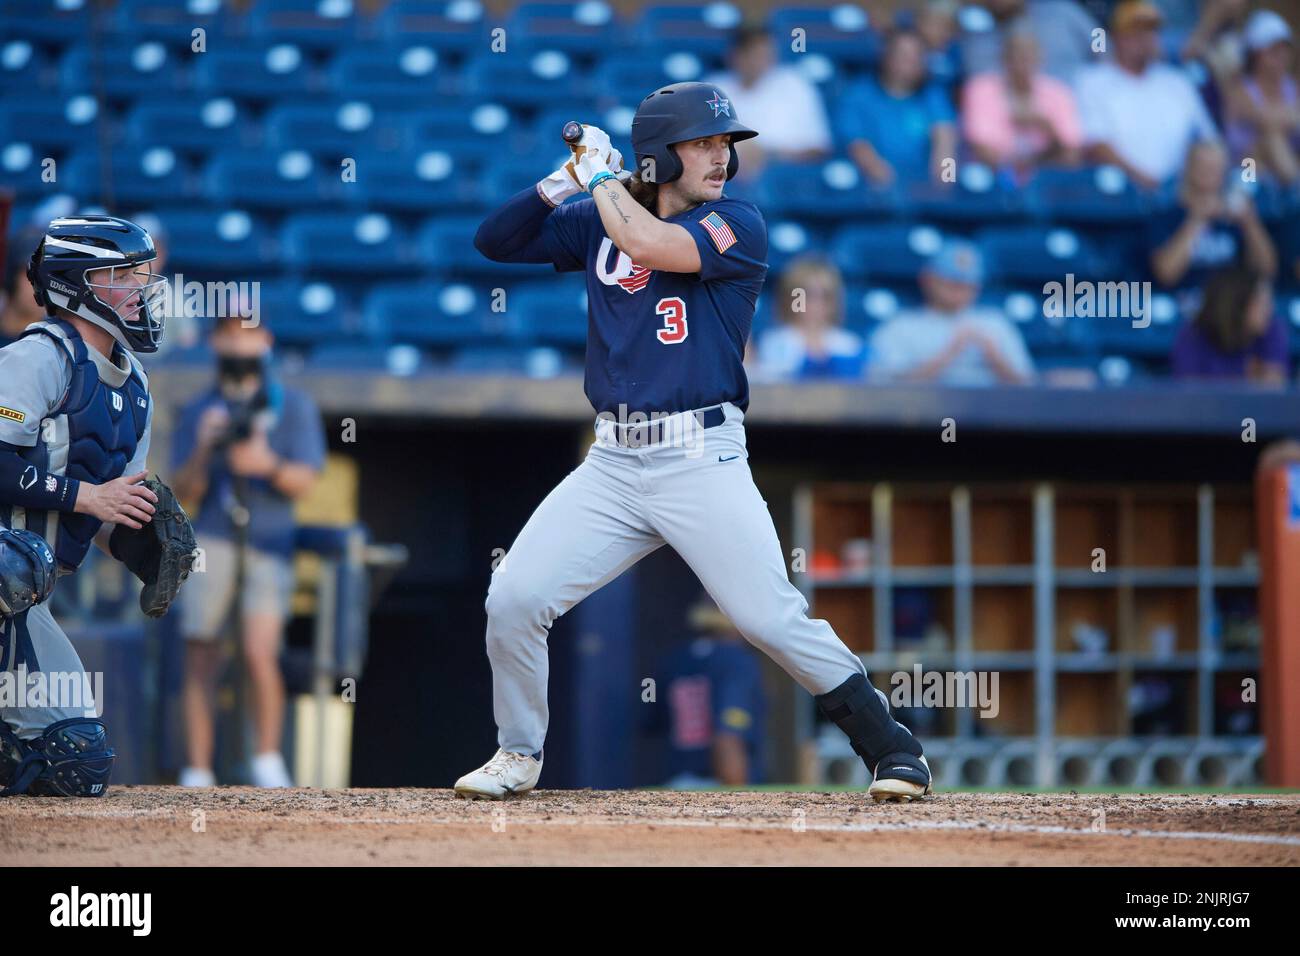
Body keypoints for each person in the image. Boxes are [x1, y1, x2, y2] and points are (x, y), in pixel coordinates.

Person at [462, 81, 932, 803]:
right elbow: (495, 241)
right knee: (515, 597)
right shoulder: (598, 217)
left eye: (724, 143)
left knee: (765, 617)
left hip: (699, 455)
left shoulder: (737, 222)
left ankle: (893, 747)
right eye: (702, 143)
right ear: (659, 155)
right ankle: (518, 753)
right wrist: (563, 182)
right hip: (614, 461)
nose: (720, 156)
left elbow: (648, 242)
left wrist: (603, 181)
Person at [0, 216, 171, 797]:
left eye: (140, 273)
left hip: (29, 598)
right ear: (78, 284)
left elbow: (108, 507)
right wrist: (89, 496)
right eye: (122, 274)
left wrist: (139, 537)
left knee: (78, 763)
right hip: (7, 571)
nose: (141, 287)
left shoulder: (136, 383)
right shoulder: (39, 355)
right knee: (11, 562)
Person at [169, 311, 325, 788]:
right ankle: (197, 768)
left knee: (260, 652)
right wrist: (203, 447)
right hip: (213, 538)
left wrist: (264, 463)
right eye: (230, 333)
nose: (240, 344)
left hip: (269, 541)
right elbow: (183, 489)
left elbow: (304, 481)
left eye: (249, 332)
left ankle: (266, 760)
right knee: (201, 651)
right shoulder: (201, 408)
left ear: (267, 339)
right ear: (216, 341)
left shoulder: (291, 405)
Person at [1075, 0, 1220, 190]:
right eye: (1136, 30)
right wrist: (1146, 183)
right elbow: (1095, 144)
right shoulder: (1092, 80)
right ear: (1117, 36)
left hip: (1179, 194)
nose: (1145, 38)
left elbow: (1208, 140)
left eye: (1151, 30)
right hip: (1118, 194)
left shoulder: (1177, 82)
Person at [868, 238, 1035, 385]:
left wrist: (995, 358)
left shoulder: (996, 323)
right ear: (927, 279)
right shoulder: (900, 326)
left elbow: (1029, 387)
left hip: (993, 416)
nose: (960, 289)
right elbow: (885, 388)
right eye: (952, 282)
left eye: (969, 283)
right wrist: (949, 353)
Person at [648, 596, 767, 789]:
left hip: (676, 783)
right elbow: (728, 736)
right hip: (719, 786)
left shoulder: (674, 659)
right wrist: (737, 801)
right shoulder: (737, 660)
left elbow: (652, 722)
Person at [1147, 139, 1277, 307]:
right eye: (1204, 167)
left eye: (1216, 168)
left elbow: (1267, 269)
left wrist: (1250, 224)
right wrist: (1196, 221)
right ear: (1188, 168)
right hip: (1181, 305)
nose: (1210, 174)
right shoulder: (1167, 215)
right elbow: (1165, 274)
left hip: (1230, 309)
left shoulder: (1235, 218)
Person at [703, 25, 832, 178]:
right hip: (728, 176)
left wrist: (768, 155)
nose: (762, 61)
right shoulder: (713, 87)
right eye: (755, 54)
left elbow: (818, 148)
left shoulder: (795, 83)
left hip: (788, 179)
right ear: (735, 55)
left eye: (767, 54)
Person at [836, 29, 957, 187]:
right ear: (886, 56)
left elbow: (945, 142)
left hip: (923, 188)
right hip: (871, 189)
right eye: (904, 55)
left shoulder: (933, 96)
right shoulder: (859, 95)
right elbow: (858, 146)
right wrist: (890, 186)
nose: (911, 61)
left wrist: (946, 181)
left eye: (917, 55)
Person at [961, 28, 1083, 180]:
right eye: (1017, 53)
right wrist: (1023, 170)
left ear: (1040, 57)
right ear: (1004, 57)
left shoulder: (1059, 93)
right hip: (993, 183)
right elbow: (983, 151)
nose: (1024, 60)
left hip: (1047, 185)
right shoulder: (980, 89)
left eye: (1029, 54)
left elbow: (1071, 157)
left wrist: (1046, 127)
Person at [753, 255, 867, 381]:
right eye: (806, 295)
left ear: (834, 301)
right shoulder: (773, 343)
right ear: (789, 298)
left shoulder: (849, 345)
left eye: (824, 296)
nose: (815, 304)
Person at [1171, 266, 1288, 384]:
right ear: (1237, 304)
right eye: (1261, 303)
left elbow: (1274, 393)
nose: (1269, 310)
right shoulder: (1193, 335)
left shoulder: (1272, 330)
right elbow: (1189, 394)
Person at [1224, 10, 1300, 185]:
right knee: (1271, 136)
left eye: (1284, 49)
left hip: (1283, 165)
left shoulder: (1293, 87)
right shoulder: (1239, 90)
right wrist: (1291, 117)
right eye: (1273, 51)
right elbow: (1267, 120)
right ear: (1255, 55)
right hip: (1245, 170)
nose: (1281, 56)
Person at [960, 0, 1101, 86]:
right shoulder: (979, 43)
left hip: (1086, 108)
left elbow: (1098, 33)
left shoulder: (1060, 11)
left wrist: (1104, 62)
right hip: (1025, 120)